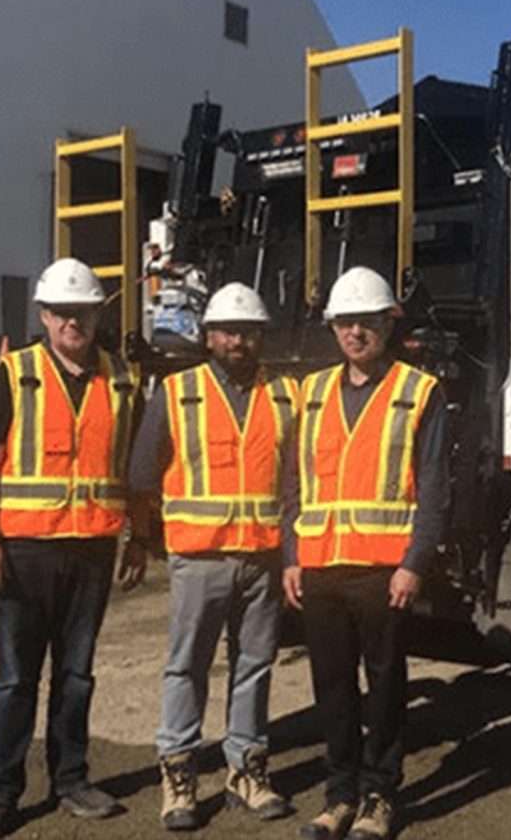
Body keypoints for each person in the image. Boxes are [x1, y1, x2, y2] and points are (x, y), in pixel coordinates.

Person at [0, 258, 148, 840]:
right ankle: (0, 795)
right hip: (24, 552)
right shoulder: (16, 373)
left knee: (76, 676)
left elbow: (136, 470)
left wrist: (138, 536)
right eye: (63, 312)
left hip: (92, 551)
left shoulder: (122, 380)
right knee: (16, 679)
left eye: (84, 312)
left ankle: (71, 780)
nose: (74, 321)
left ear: (98, 316)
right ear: (45, 316)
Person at [283, 266, 450, 840]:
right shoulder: (311, 394)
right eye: (346, 323)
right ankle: (339, 797)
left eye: (367, 323)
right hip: (322, 570)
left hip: (384, 571)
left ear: (389, 325)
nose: (356, 333)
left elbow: (433, 488)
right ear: (333, 328)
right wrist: (289, 556)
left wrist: (415, 562)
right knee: (331, 688)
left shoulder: (418, 391)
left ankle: (380, 797)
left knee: (384, 688)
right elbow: (293, 485)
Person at [128, 282, 299, 830]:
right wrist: (151, 539)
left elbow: (298, 482)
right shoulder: (178, 393)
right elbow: (141, 475)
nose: (238, 341)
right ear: (209, 337)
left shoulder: (287, 395)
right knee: (187, 666)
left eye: (248, 332)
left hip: (263, 557)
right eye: (228, 331)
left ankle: (246, 769)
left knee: (254, 666)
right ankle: (179, 775)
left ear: (261, 338)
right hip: (200, 558)